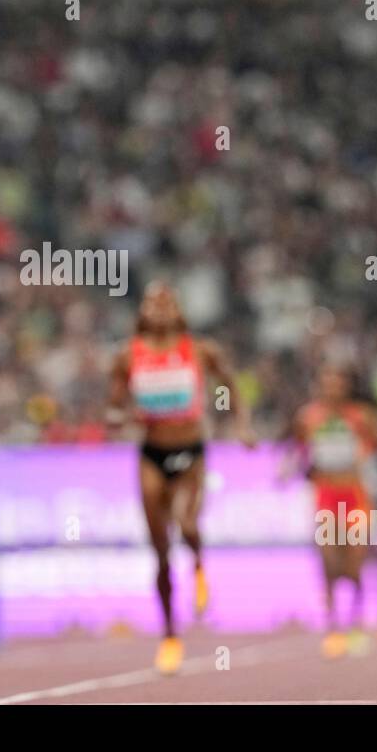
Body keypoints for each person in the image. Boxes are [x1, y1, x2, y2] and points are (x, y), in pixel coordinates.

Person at [108, 281, 257, 674]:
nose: (158, 308)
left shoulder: (200, 350)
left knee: (187, 523)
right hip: (151, 453)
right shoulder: (127, 356)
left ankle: (199, 564)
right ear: (142, 311)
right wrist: (122, 418)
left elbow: (231, 385)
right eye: (151, 302)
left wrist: (241, 424)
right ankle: (170, 633)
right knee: (159, 549)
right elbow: (113, 408)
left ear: (178, 309)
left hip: (190, 453)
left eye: (166, 301)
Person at [284, 364, 377, 659]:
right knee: (328, 561)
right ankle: (334, 626)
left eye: (337, 383)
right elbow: (296, 450)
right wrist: (290, 469)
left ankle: (357, 623)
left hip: (355, 496)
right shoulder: (308, 417)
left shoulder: (362, 417)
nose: (332, 389)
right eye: (327, 383)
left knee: (355, 562)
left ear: (346, 387)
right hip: (326, 497)